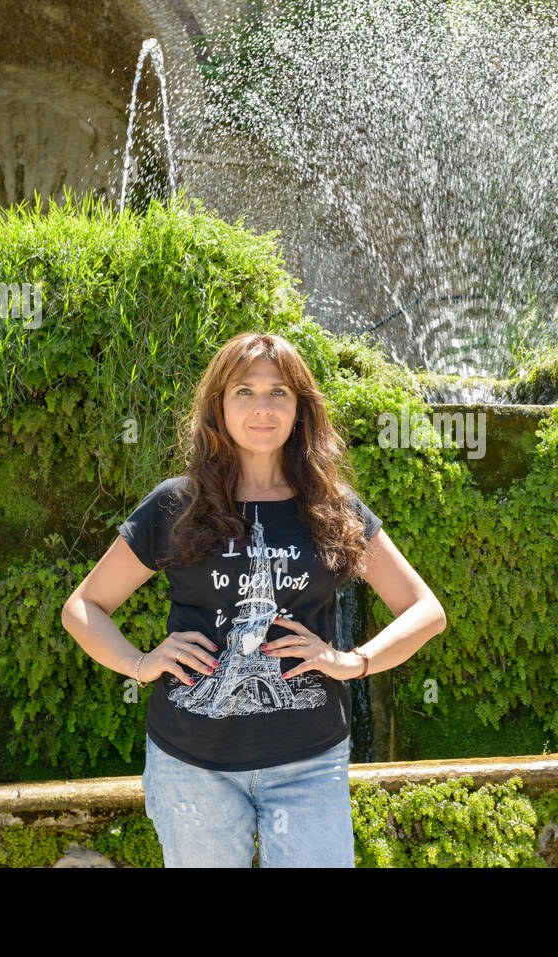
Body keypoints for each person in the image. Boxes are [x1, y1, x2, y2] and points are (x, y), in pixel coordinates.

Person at [61, 331, 447, 867]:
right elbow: (82, 607)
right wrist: (139, 662)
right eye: (244, 391)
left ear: (300, 409)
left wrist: (351, 662)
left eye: (279, 392)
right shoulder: (178, 504)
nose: (262, 407)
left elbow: (426, 611)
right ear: (218, 405)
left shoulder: (330, 508)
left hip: (310, 762)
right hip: (192, 765)